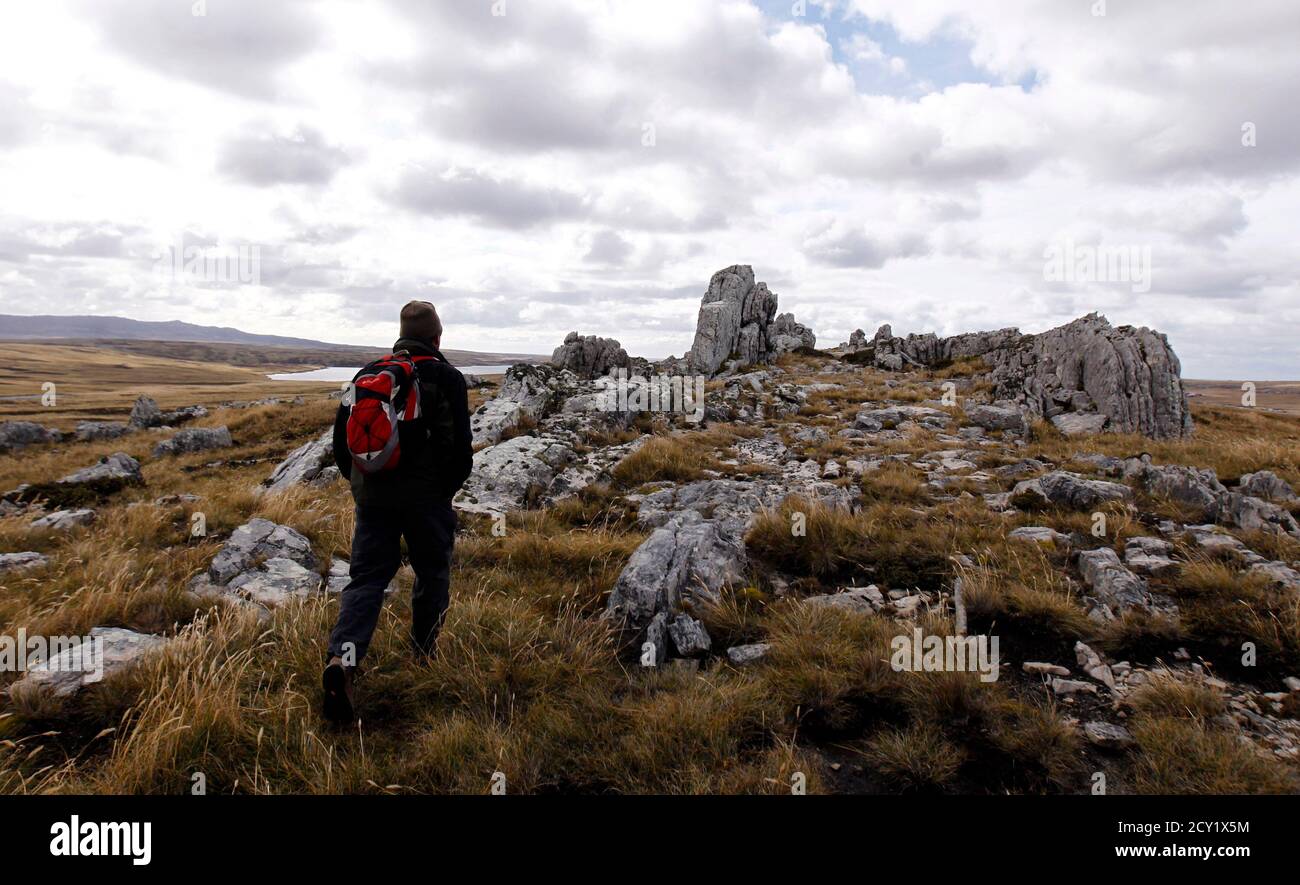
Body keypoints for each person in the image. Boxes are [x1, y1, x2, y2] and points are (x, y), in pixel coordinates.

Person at [322, 300, 472, 724]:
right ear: (437, 336)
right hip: (427, 502)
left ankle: (342, 662)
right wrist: (440, 493)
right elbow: (461, 453)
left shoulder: (368, 374)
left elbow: (340, 444)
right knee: (432, 574)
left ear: (401, 333)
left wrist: (363, 487)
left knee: (366, 581)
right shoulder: (447, 377)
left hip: (375, 501)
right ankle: (423, 657)